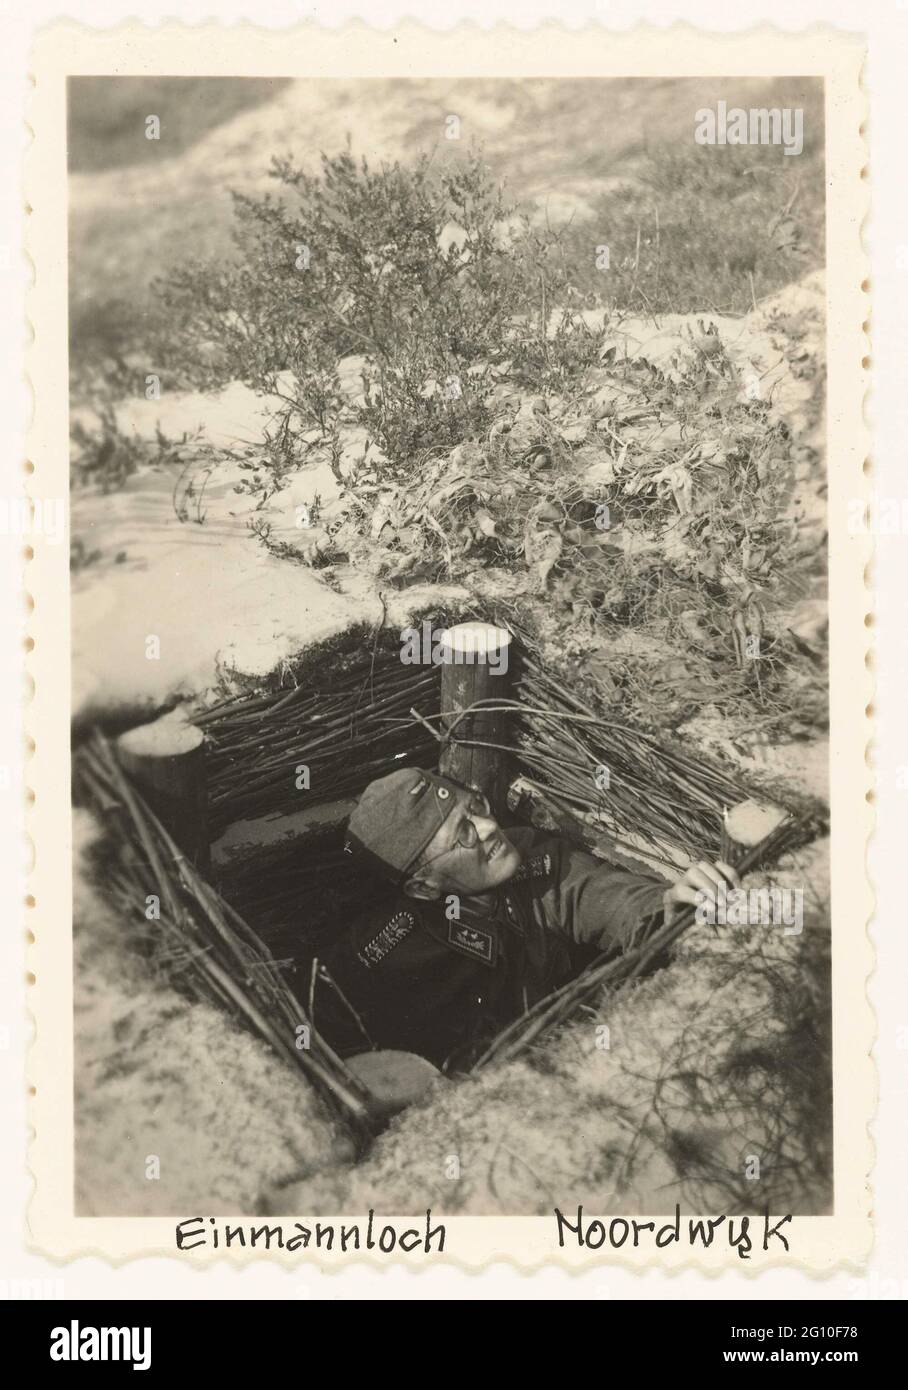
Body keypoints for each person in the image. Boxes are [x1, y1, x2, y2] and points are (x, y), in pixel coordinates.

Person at [313, 766, 741, 1072]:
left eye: (475, 807)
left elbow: (609, 898)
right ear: (423, 887)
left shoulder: (534, 861)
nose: (486, 827)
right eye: (462, 834)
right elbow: (330, 1032)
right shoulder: (384, 950)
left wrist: (668, 912)